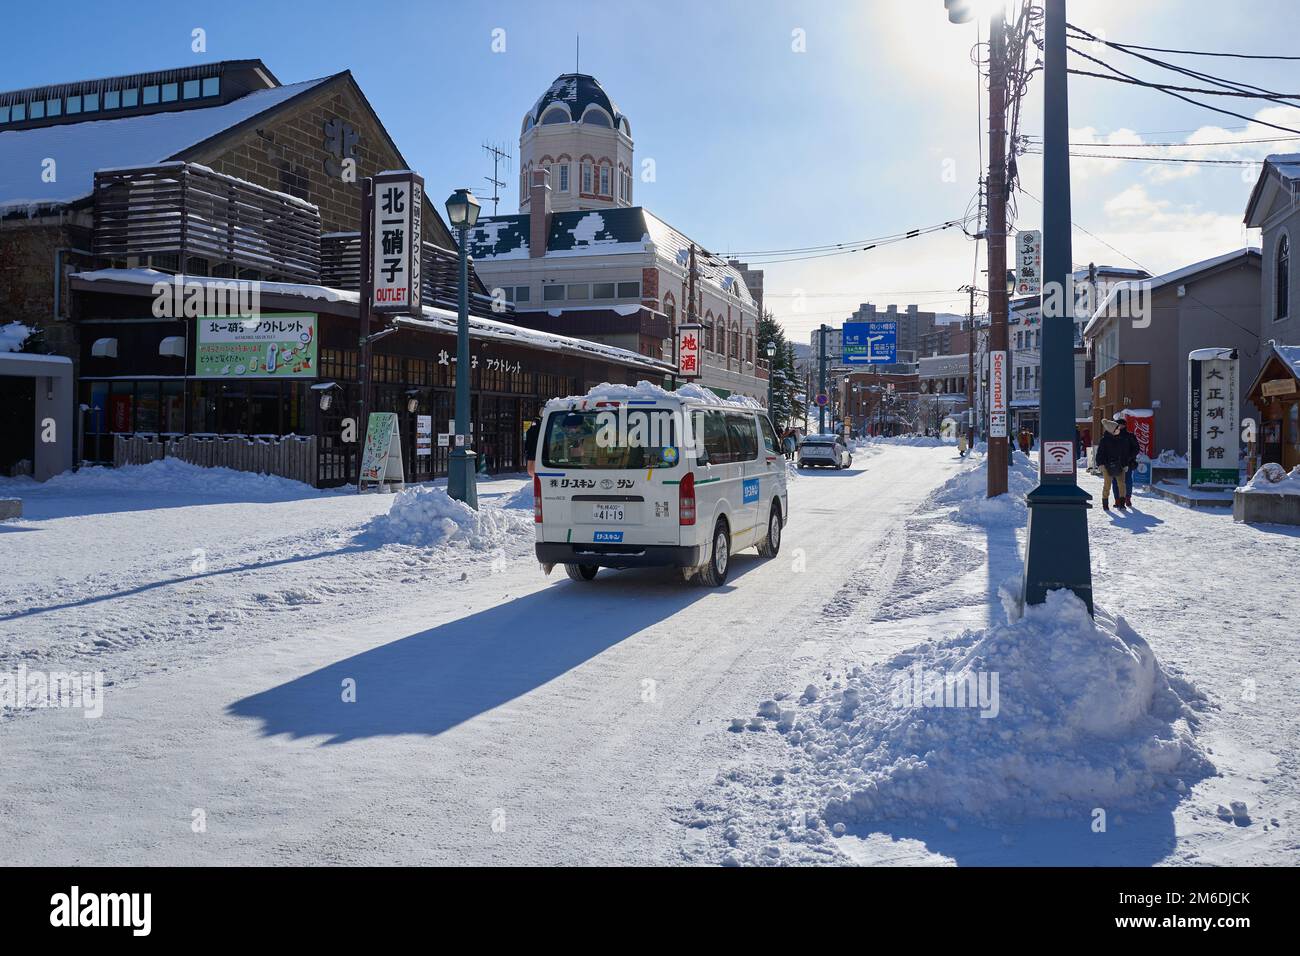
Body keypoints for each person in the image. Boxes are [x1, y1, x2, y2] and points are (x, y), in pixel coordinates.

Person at [1095, 415, 1127, 511]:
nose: (1119, 429)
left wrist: (1125, 464)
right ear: (1112, 430)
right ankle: (1105, 504)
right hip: (1106, 465)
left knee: (1122, 484)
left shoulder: (1121, 439)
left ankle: (1122, 503)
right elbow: (1099, 453)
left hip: (1120, 465)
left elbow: (1124, 453)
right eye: (1117, 428)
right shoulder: (1104, 440)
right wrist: (1100, 464)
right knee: (1107, 485)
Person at [1117, 413, 1140, 508]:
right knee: (1117, 482)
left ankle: (1128, 498)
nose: (1120, 426)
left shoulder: (1130, 436)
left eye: (1122, 424)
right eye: (1118, 425)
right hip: (1116, 462)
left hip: (1128, 462)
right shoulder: (1114, 435)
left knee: (1128, 480)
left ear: (1125, 425)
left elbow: (1136, 448)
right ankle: (1118, 499)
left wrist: (1129, 457)